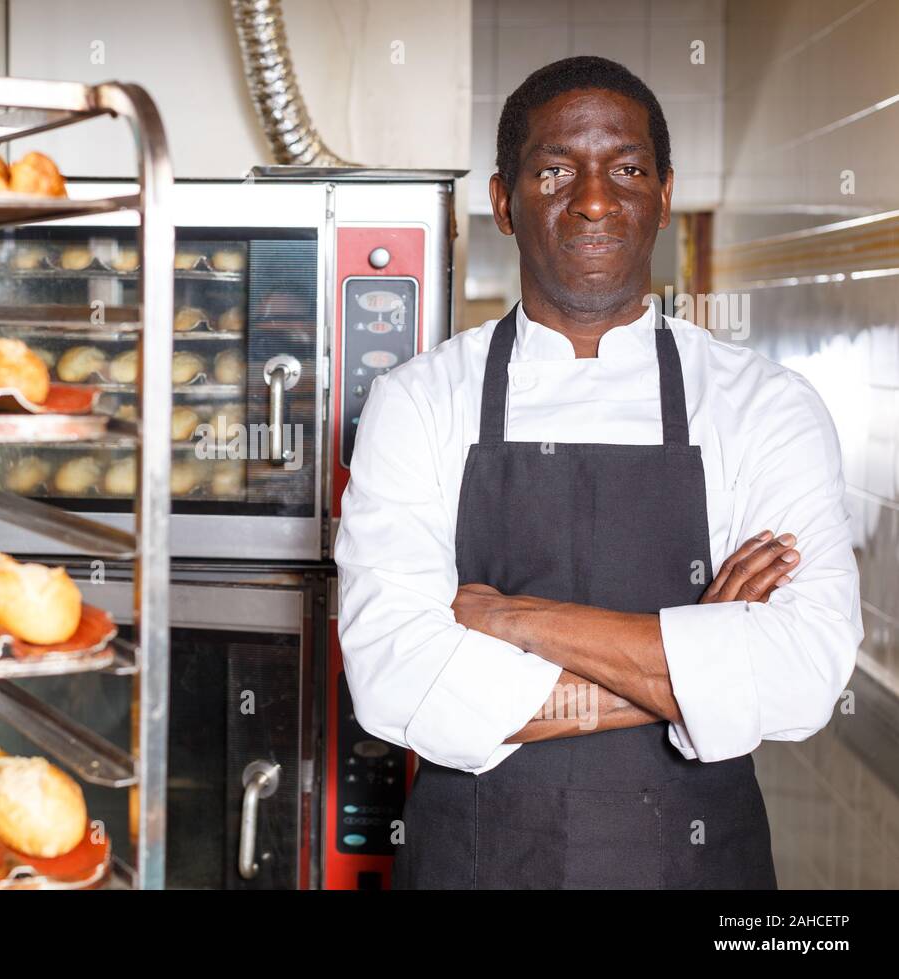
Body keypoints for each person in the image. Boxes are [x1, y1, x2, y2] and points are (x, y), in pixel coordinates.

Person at [334, 55, 863, 889]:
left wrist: (515, 617)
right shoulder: (419, 402)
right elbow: (396, 681)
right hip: (474, 864)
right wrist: (696, 666)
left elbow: (800, 677)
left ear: (662, 193)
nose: (593, 198)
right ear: (505, 203)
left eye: (626, 168)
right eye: (555, 170)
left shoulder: (765, 404)